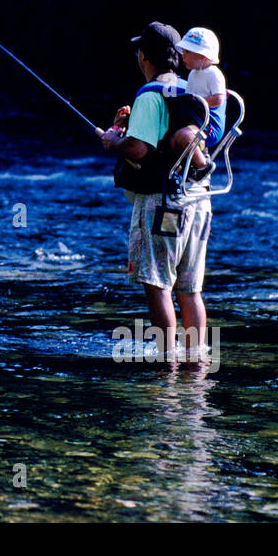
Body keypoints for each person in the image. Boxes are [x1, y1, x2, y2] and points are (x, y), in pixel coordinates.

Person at [100, 22, 213, 361]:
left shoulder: (150, 94)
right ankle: (197, 362)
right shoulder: (187, 90)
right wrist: (123, 129)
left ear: (144, 56)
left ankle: (167, 362)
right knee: (190, 290)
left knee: (158, 285)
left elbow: (137, 149)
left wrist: (112, 140)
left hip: (162, 203)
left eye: (139, 50)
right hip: (199, 201)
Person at [165, 27, 226, 172]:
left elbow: (218, 99)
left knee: (183, 135)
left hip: (209, 125)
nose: (182, 56)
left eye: (187, 52)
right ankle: (184, 167)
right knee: (171, 140)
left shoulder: (214, 74)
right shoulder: (193, 74)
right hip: (195, 121)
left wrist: (197, 101)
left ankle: (203, 166)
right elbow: (189, 97)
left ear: (203, 56)